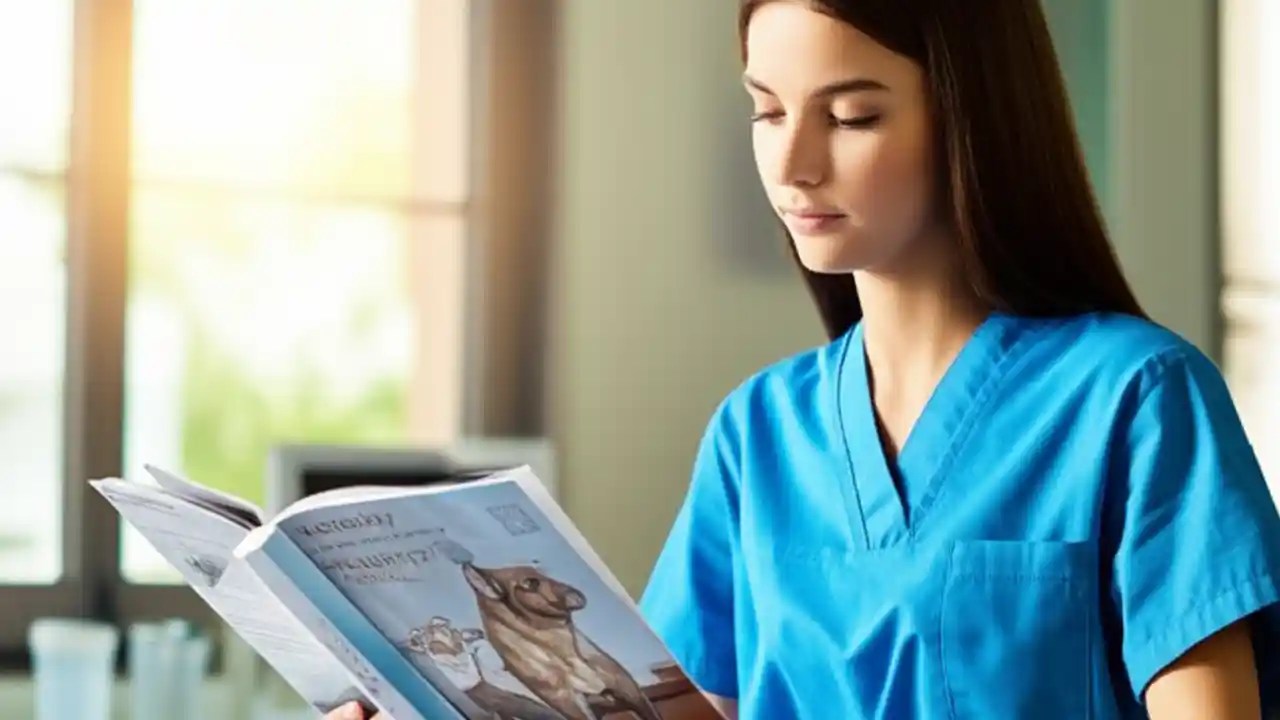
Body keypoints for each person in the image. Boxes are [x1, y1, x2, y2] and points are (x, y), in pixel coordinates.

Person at [325, 0, 1280, 718]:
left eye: (852, 116)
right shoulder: (757, 434)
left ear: (974, 120)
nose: (791, 165)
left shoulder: (1136, 398)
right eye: (768, 111)